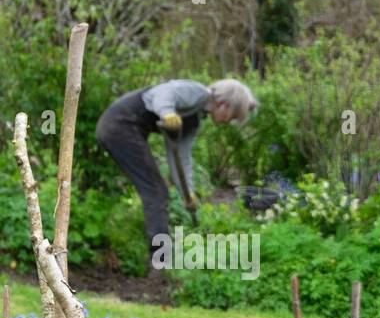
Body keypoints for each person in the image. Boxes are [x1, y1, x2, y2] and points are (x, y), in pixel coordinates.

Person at [95, 78, 258, 272]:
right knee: (156, 192)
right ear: (224, 105)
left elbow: (181, 159)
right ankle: (160, 264)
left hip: (126, 129)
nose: (227, 122)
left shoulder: (194, 120)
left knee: (157, 191)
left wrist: (188, 194)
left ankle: (160, 261)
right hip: (120, 125)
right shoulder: (197, 93)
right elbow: (162, 93)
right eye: (231, 117)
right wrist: (167, 113)